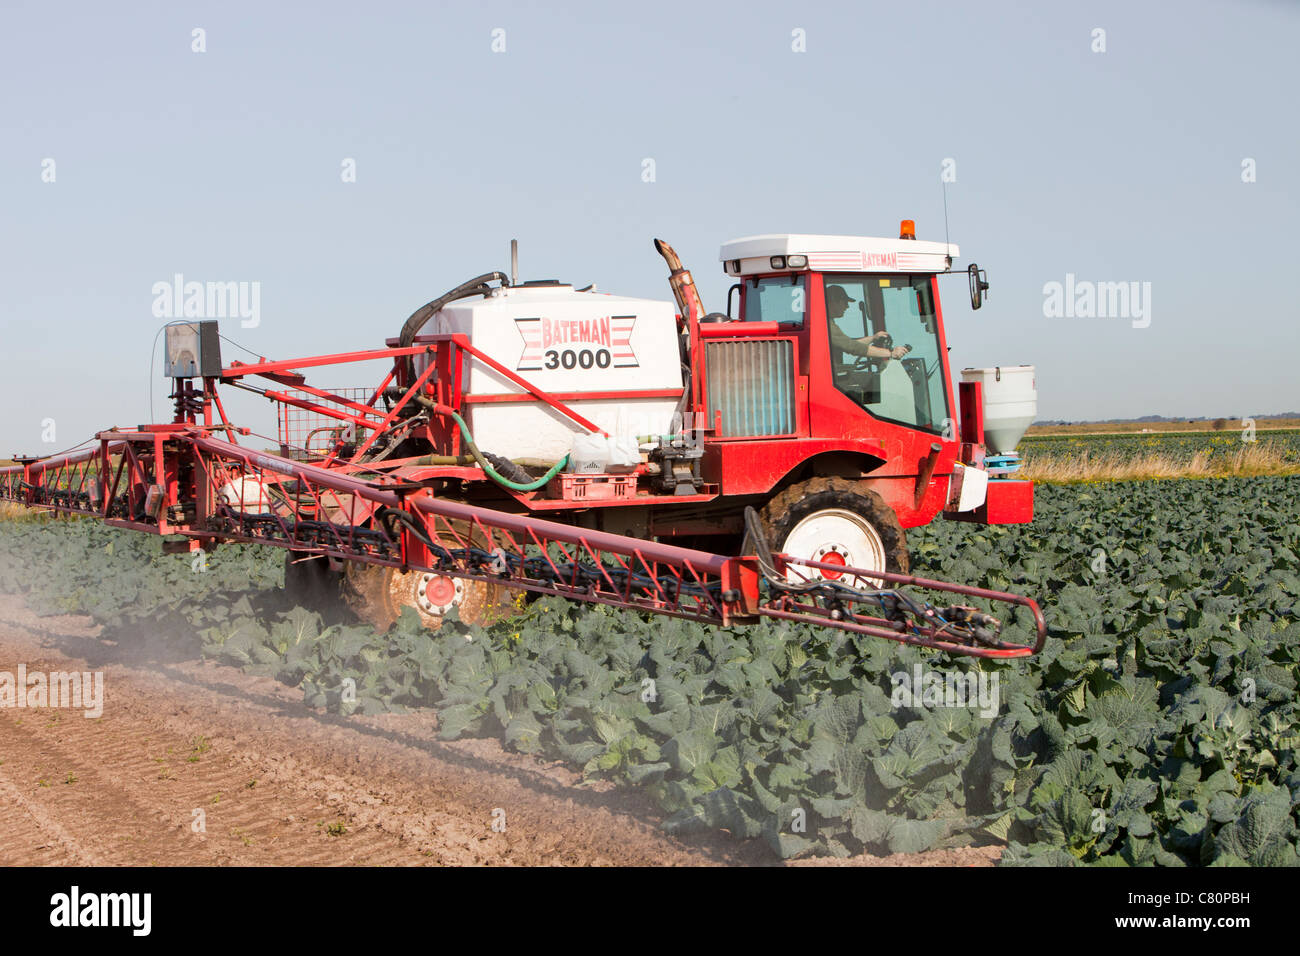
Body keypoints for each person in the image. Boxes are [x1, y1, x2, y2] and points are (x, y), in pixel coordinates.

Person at [824, 284, 910, 362]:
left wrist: (873, 338)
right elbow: (852, 347)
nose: (847, 306)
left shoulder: (828, 323)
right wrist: (891, 353)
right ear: (833, 301)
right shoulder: (826, 326)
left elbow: (848, 343)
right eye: (845, 302)